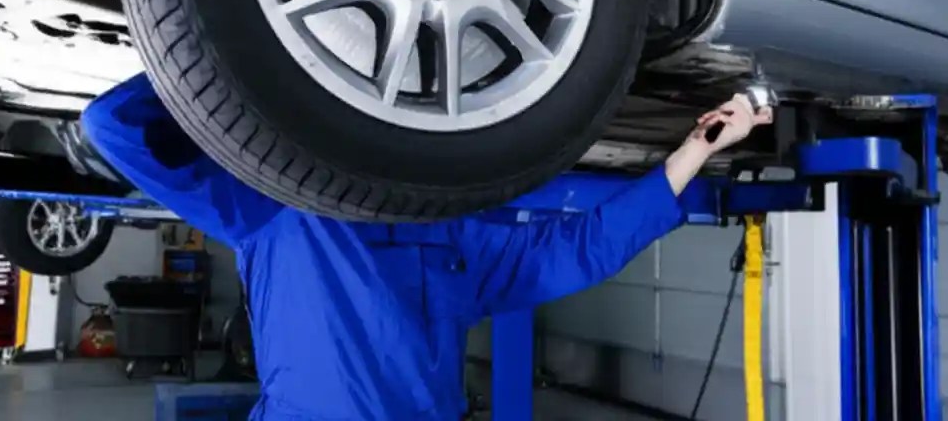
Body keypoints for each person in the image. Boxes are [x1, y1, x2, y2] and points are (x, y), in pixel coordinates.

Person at [81, 73, 773, 421]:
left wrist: (698, 148)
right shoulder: (277, 209)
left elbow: (587, 246)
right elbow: (113, 125)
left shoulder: (456, 242)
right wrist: (236, 54)